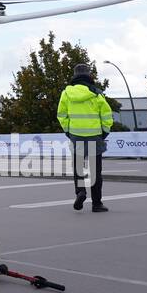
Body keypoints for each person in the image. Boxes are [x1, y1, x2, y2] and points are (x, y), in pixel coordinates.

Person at [57, 63, 114, 213]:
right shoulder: (97, 93)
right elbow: (107, 115)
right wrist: (104, 132)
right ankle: (97, 204)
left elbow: (61, 115)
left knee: (78, 168)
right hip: (95, 135)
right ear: (89, 74)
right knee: (95, 171)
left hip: (76, 135)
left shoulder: (66, 93)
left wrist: (68, 131)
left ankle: (80, 192)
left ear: (75, 75)